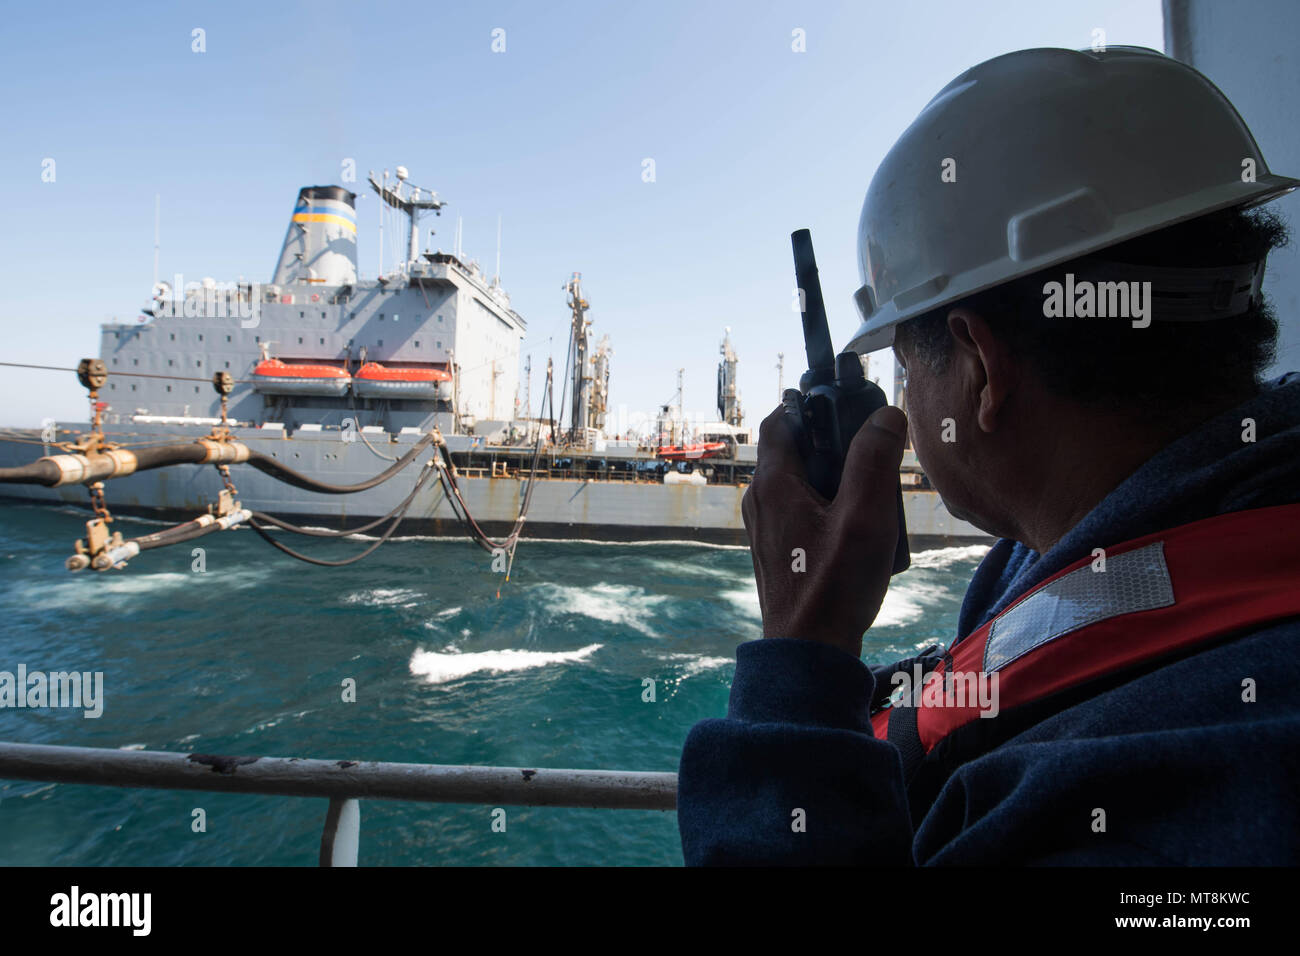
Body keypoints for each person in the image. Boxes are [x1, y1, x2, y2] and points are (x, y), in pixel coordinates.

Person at [677, 46, 1300, 865]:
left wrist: (801, 659)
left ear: (978, 367)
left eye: (904, 361)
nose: (900, 391)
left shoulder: (1131, 797)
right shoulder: (1154, 531)